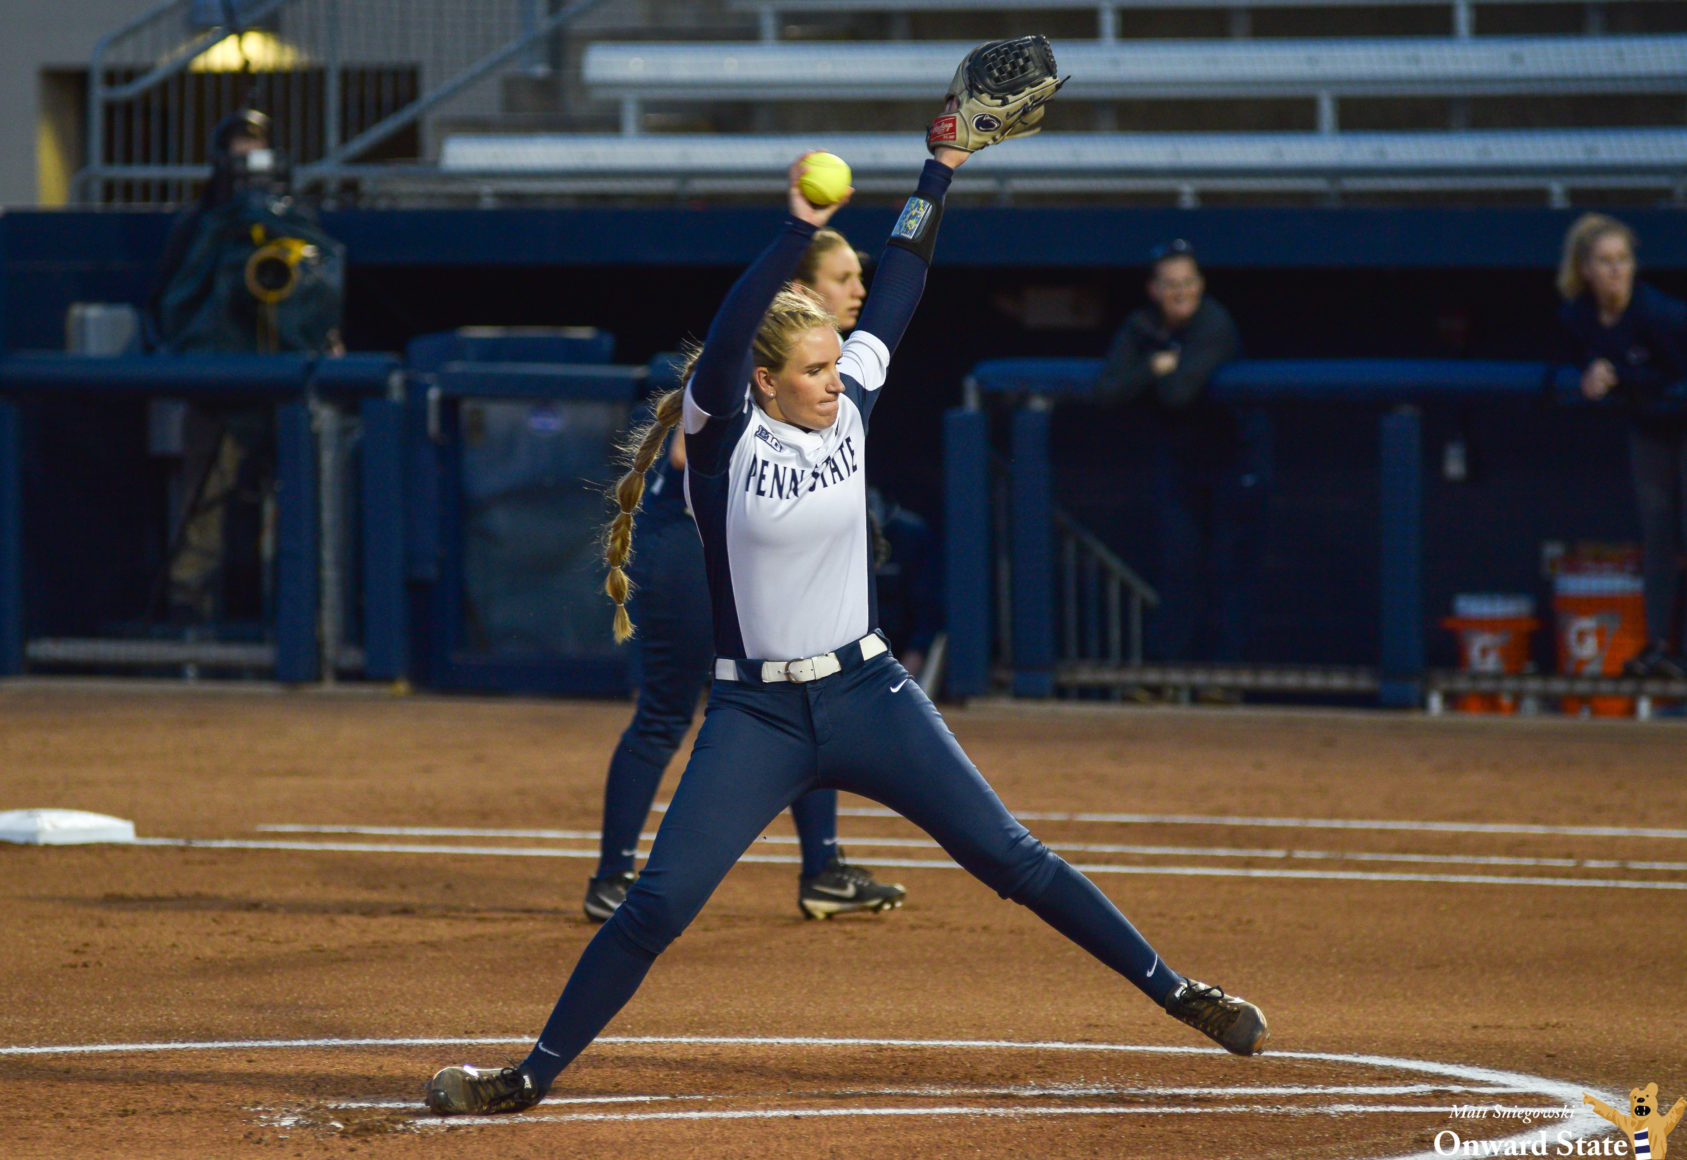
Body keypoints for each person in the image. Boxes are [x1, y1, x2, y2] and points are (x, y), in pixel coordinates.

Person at [425, 118, 1267, 1118]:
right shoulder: (722, 430)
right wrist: (793, 232)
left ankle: (1181, 991)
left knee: (1012, 858)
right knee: (656, 903)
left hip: (871, 692)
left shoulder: (853, 400)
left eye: (838, 366)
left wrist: (938, 170)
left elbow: (903, 276)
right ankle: (529, 1073)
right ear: (767, 381)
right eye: (817, 370)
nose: (839, 380)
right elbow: (733, 332)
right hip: (757, 720)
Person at [583, 226, 907, 923]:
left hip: (743, 549)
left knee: (810, 679)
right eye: (842, 278)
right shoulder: (751, 379)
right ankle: (612, 875)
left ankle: (821, 867)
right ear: (797, 295)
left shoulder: (818, 382)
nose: (856, 290)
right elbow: (685, 459)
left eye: (859, 278)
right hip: (693, 547)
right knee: (667, 712)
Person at [1096, 239, 1269, 678]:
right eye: (1170, 284)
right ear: (1154, 289)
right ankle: (1167, 674)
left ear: (1201, 284)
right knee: (1178, 563)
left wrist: (1159, 373)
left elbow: (1177, 395)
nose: (1180, 292)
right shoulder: (1143, 324)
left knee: (1231, 566)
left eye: (1188, 283)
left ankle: (1229, 676)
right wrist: (1154, 366)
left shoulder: (1214, 323)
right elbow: (1106, 391)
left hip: (1236, 456)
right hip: (1182, 459)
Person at [1558, 213, 1687, 679]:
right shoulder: (1576, 315)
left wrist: (1625, 378)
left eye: (1624, 259)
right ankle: (1658, 648)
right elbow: (1571, 361)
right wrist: (1589, 372)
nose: (1616, 270)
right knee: (1657, 534)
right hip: (1649, 427)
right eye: (1605, 261)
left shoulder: (1661, 314)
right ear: (1585, 269)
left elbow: (1669, 375)